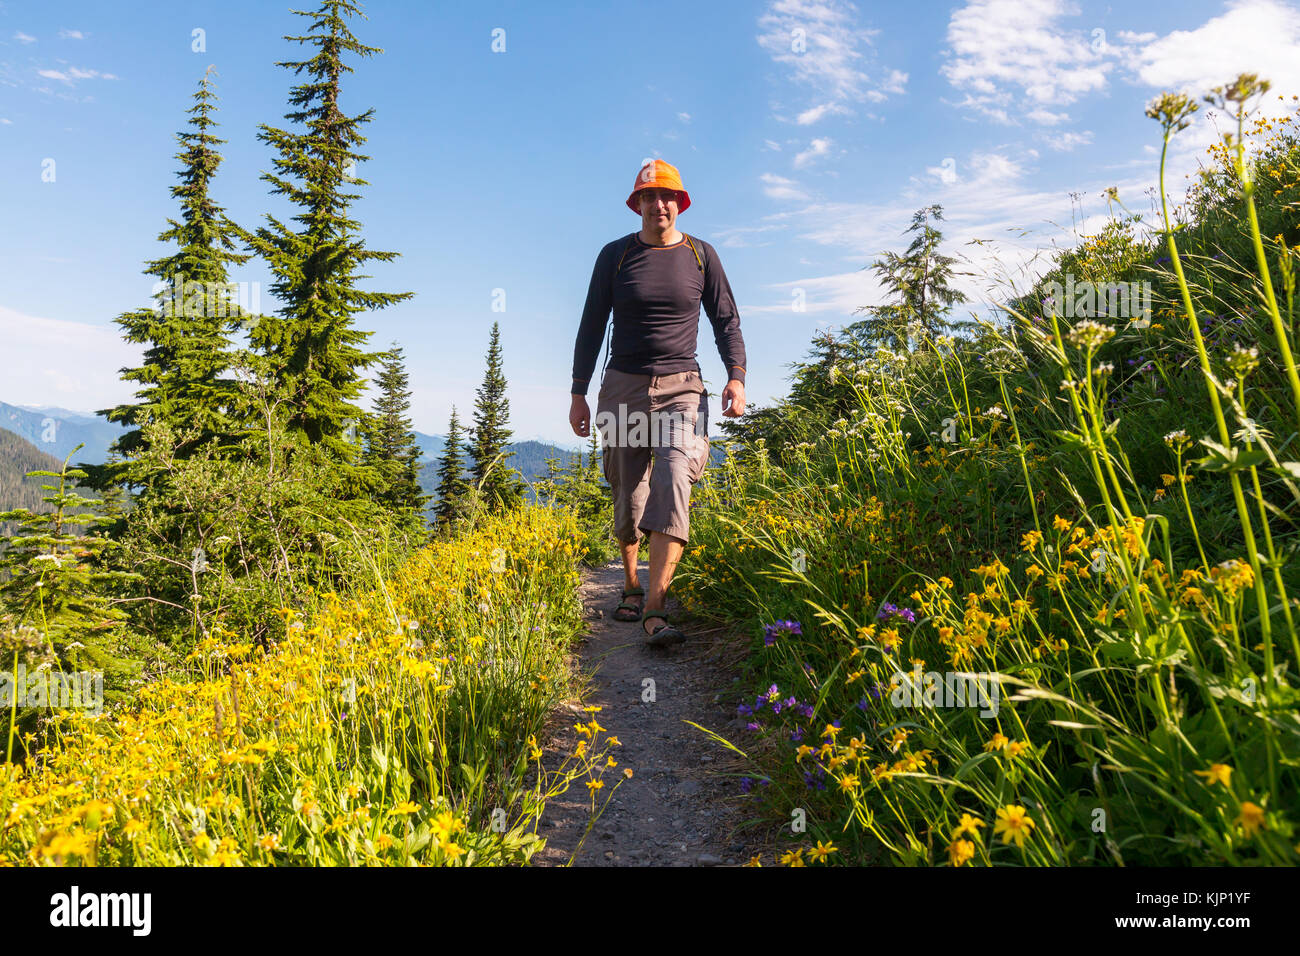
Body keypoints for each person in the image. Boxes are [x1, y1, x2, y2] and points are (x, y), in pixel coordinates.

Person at [568, 159, 748, 645]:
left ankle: (655, 606)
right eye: (650, 196)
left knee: (673, 475)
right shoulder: (615, 256)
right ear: (638, 204)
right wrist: (578, 392)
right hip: (623, 386)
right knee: (628, 491)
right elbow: (590, 324)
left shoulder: (701, 256)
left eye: (668, 196)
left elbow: (726, 320)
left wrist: (737, 377)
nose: (659, 204)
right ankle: (629, 585)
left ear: (680, 203)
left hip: (682, 388)